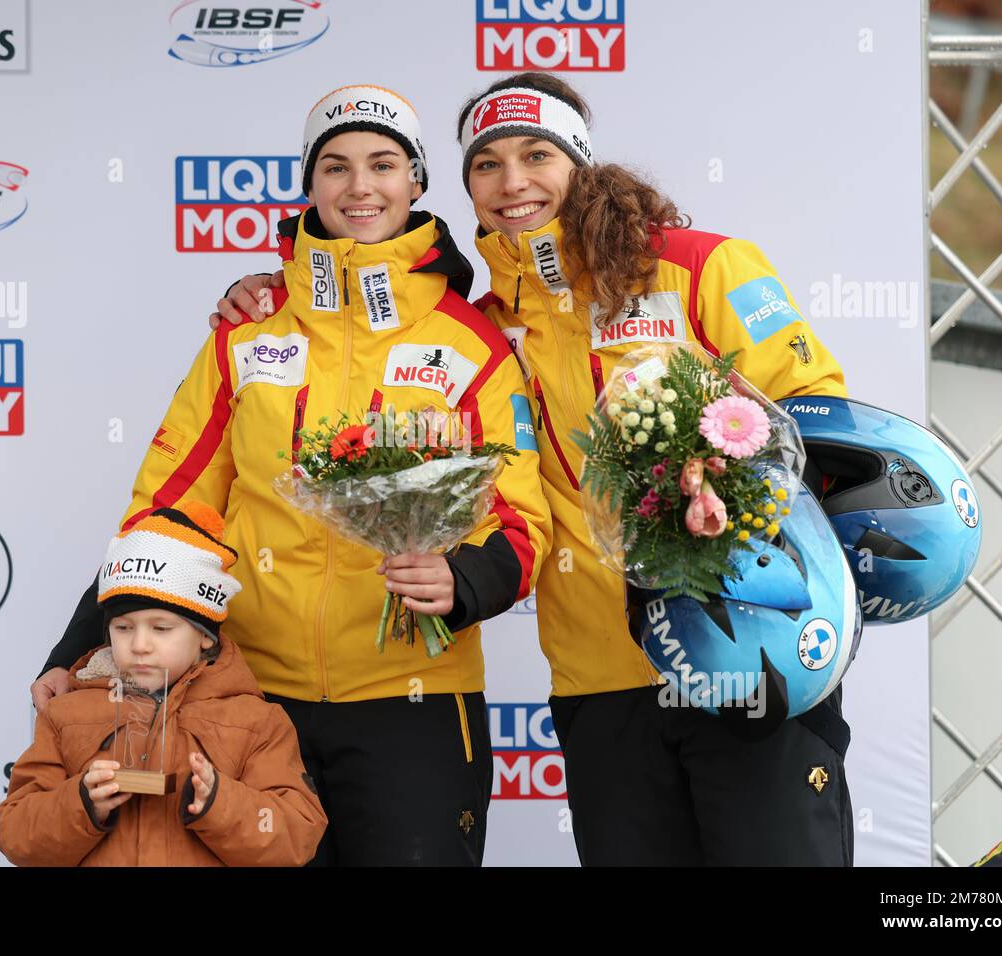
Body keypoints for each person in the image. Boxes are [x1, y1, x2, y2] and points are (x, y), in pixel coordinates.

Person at [212, 72, 854, 866]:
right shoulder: (484, 327)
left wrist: (720, 484)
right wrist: (274, 287)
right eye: (486, 165)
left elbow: (819, 422)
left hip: (745, 644)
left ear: (578, 162)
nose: (512, 182)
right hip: (599, 679)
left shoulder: (700, 265)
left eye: (535, 153)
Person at [33, 84, 550, 866]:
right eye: (334, 167)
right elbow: (168, 509)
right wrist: (76, 648)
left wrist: (463, 580)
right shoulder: (247, 332)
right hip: (244, 699)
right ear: (310, 186)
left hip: (411, 699)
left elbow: (519, 516)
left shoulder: (472, 342)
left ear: (416, 182)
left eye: (383, 164)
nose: (359, 186)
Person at [0, 501, 327, 866]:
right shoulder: (65, 714)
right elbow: (16, 834)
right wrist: (82, 803)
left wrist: (220, 803)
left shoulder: (256, 721)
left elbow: (296, 836)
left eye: (161, 628)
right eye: (123, 628)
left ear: (204, 636)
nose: (139, 645)